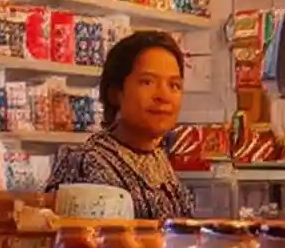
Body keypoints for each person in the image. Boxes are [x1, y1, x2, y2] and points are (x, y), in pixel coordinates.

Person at [45, 31, 194, 220]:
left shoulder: (157, 156)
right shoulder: (87, 163)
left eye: (174, 85)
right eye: (147, 82)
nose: (163, 96)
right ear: (115, 93)